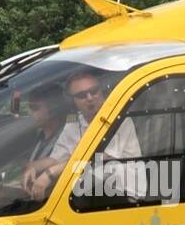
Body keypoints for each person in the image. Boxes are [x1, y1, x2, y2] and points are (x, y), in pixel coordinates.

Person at [23, 69, 143, 200]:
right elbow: (57, 157)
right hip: (92, 190)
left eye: (94, 91)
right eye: (82, 95)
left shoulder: (119, 119)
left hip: (124, 194)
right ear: (72, 101)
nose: (90, 98)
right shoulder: (74, 122)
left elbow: (96, 160)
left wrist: (50, 173)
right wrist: (32, 167)